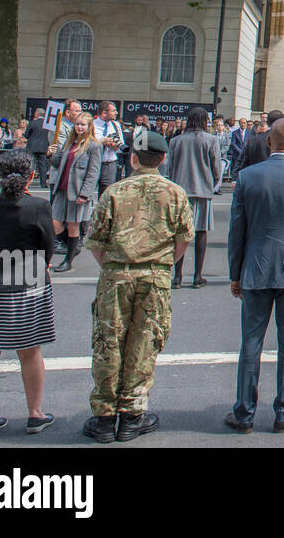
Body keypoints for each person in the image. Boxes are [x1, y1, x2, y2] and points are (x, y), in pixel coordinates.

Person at [82, 130, 193, 443]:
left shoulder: (114, 192)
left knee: (108, 342)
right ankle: (132, 414)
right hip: (155, 275)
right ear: (163, 159)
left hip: (116, 274)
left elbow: (96, 242)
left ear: (132, 158)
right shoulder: (175, 193)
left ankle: (104, 416)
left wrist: (115, 267)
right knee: (145, 342)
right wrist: (162, 263)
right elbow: (184, 239)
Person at [225, 119, 284, 433]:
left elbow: (236, 229)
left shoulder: (247, 176)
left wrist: (235, 271)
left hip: (255, 263)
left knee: (251, 343)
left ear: (269, 142)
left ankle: (244, 413)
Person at [0, 151, 56, 438]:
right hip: (28, 284)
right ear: (31, 176)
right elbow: (47, 246)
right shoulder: (38, 205)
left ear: (0, 175)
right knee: (30, 352)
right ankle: (35, 414)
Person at [166, 107, 223, 289]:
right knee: (201, 232)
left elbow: (170, 168)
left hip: (180, 191)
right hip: (202, 190)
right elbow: (216, 167)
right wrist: (212, 182)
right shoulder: (211, 140)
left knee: (180, 234)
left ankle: (177, 276)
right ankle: (198, 275)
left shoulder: (176, 140)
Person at [47, 111, 102, 273]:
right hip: (62, 189)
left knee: (73, 225)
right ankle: (72, 246)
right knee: (55, 222)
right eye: (77, 124)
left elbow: (93, 172)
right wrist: (50, 155)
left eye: (82, 124)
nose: (79, 127)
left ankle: (68, 260)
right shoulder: (70, 143)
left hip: (78, 191)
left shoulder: (94, 146)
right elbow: (58, 163)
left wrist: (85, 194)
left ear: (89, 126)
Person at [93, 101, 125, 197]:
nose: (116, 113)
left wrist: (115, 146)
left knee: (107, 193)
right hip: (94, 162)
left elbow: (121, 146)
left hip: (109, 163)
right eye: (113, 110)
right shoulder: (92, 125)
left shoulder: (116, 125)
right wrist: (101, 142)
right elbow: (87, 144)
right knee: (88, 191)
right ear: (104, 113)